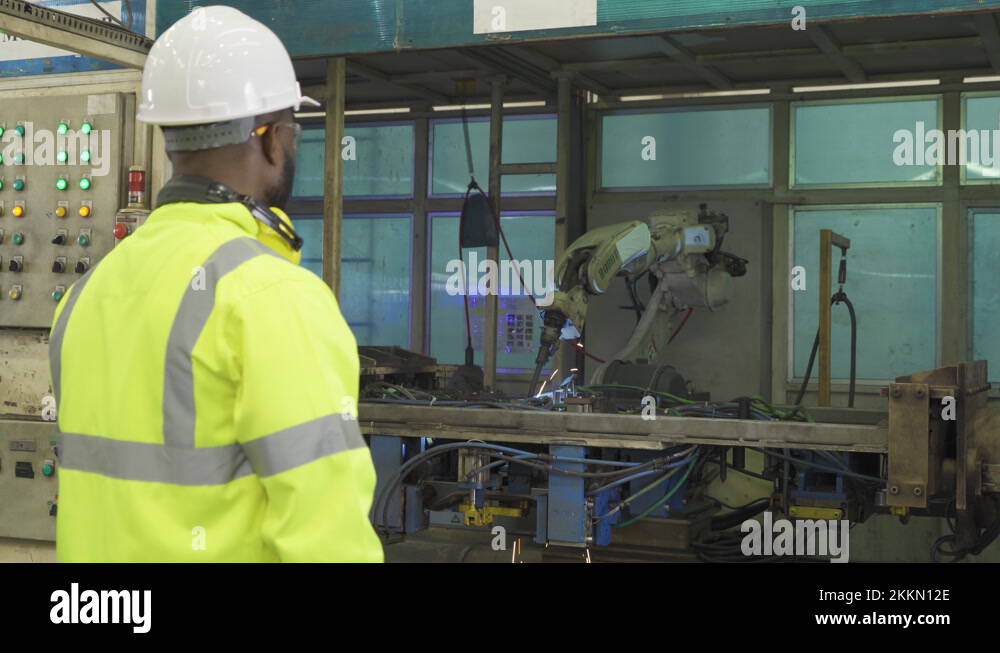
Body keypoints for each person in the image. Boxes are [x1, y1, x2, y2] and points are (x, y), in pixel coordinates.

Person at [49, 5, 383, 562]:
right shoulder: (271, 296)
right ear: (274, 141)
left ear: (168, 144)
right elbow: (325, 532)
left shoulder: (88, 292)